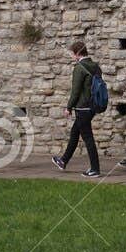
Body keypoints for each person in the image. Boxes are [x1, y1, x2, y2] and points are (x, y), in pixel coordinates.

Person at [52, 41, 102, 178]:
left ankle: (95, 169)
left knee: (88, 137)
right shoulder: (95, 66)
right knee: (75, 132)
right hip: (93, 105)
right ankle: (63, 160)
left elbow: (75, 91)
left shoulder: (80, 68)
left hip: (83, 107)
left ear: (77, 53)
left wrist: (69, 107)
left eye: (73, 53)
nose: (72, 56)